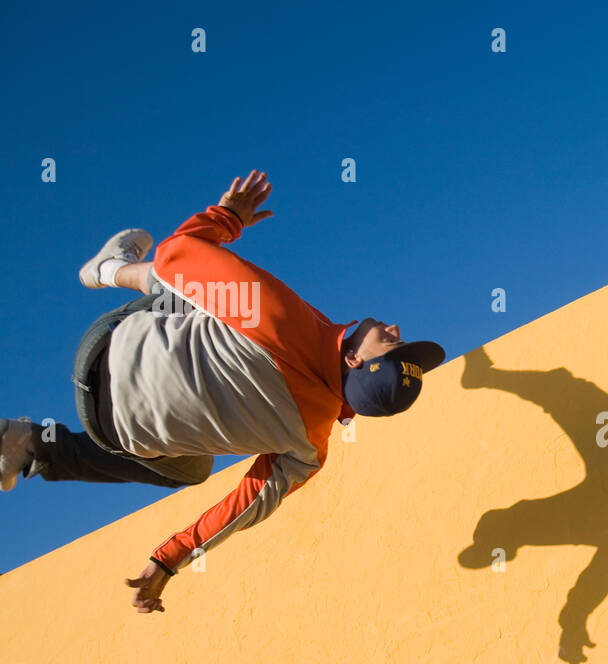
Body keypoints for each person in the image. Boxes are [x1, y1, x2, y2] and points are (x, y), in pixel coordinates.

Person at [0, 170, 444, 613]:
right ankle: (31, 446)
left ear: (354, 360)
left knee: (194, 289)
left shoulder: (283, 320)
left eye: (391, 341)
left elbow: (177, 254)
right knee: (193, 469)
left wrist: (227, 215)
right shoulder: (313, 445)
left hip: (106, 346)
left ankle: (109, 269)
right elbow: (240, 508)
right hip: (110, 431)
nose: (394, 328)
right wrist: (167, 561)